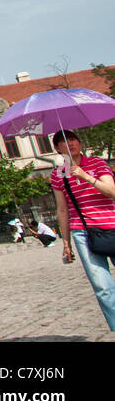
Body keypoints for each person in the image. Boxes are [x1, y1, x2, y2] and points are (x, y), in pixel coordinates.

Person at [50, 130, 115, 331]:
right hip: (83, 230)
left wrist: (86, 176)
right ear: (57, 149)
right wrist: (66, 242)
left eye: (72, 139)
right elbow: (62, 209)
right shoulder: (58, 174)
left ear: (79, 141)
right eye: (64, 142)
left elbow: (111, 192)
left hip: (112, 225)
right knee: (102, 286)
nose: (70, 144)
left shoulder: (97, 163)